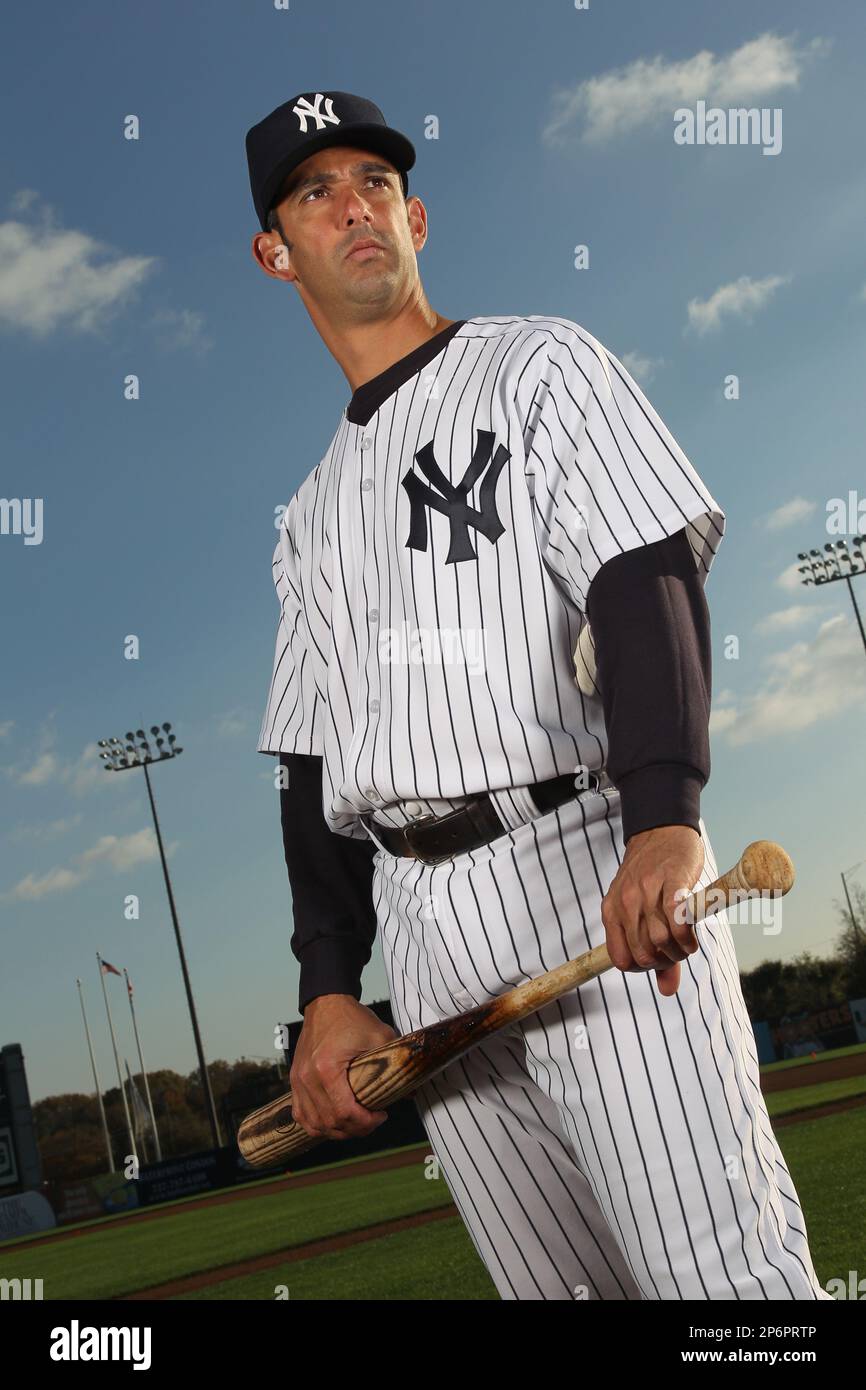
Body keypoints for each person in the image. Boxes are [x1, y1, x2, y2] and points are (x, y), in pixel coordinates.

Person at [245, 90, 830, 1300]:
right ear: (274, 252)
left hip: (586, 869)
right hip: (420, 926)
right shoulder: (304, 517)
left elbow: (640, 568)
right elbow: (308, 765)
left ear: (414, 216)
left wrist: (662, 817)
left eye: (371, 181)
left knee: (724, 1290)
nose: (350, 203)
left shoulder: (536, 365)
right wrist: (327, 987)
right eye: (314, 191)